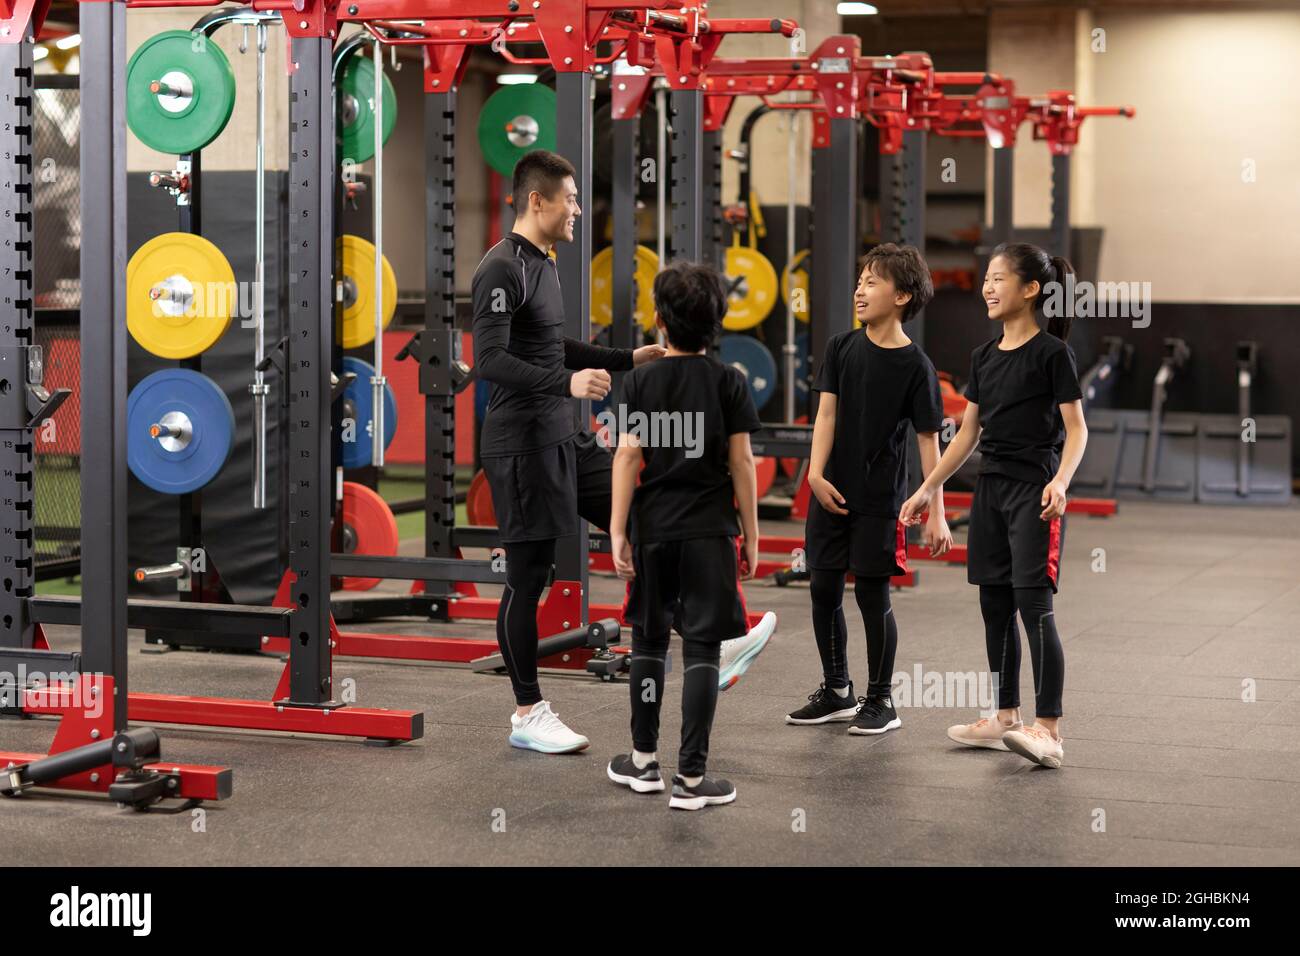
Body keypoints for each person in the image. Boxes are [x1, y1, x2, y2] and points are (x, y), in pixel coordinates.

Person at [471, 150, 775, 756]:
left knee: (648, 514)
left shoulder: (543, 264)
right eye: (572, 198)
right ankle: (528, 711)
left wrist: (622, 360)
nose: (579, 208)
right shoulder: (500, 268)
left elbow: (550, 343)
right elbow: (490, 360)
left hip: (563, 435)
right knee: (530, 577)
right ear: (540, 201)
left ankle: (712, 636)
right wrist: (566, 384)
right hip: (522, 445)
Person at [900, 242, 1087, 769]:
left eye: (999, 278)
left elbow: (1077, 430)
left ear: (1031, 289)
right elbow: (965, 438)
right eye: (986, 277)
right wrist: (927, 488)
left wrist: (1061, 481)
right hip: (991, 494)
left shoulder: (1053, 354)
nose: (987, 286)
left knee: (1035, 608)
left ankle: (1048, 729)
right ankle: (1005, 716)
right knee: (994, 607)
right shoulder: (983, 357)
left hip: (1035, 494)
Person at [605, 261, 764, 810]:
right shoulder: (730, 382)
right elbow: (742, 463)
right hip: (709, 531)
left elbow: (628, 456)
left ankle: (643, 764)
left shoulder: (640, 380)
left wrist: (617, 528)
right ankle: (691, 781)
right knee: (702, 648)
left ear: (658, 323)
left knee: (648, 641)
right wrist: (753, 532)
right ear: (718, 320)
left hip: (654, 532)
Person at [786, 244, 952, 735]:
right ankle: (837, 689)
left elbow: (928, 442)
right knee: (822, 588)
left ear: (902, 296)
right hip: (829, 491)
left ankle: (882, 700)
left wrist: (935, 510)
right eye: (859, 280)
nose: (860, 289)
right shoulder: (840, 347)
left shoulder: (916, 366)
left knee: (871, 597)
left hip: (881, 501)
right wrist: (814, 474)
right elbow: (826, 414)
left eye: (872, 282)